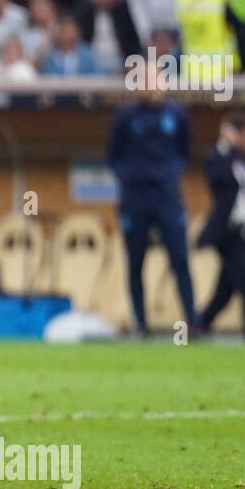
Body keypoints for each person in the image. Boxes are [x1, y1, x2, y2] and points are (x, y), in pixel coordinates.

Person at [106, 77, 197, 337]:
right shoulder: (125, 116)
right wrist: (131, 176)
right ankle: (141, 324)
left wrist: (169, 174)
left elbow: (184, 151)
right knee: (135, 261)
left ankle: (192, 321)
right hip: (135, 197)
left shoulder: (176, 114)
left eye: (156, 81)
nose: (151, 87)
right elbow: (113, 155)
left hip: (167, 196)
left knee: (179, 258)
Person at [197, 110, 245, 341]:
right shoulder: (219, 157)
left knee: (224, 292)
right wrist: (227, 143)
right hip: (228, 232)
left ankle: (199, 324)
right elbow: (216, 179)